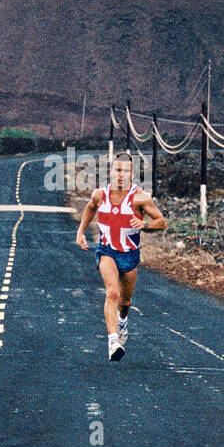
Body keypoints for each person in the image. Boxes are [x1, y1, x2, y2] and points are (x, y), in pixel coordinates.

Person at [75, 152, 167, 360]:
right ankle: (113, 341)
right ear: (110, 171)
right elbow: (90, 209)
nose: (120, 175)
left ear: (131, 173)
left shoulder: (140, 198)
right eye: (117, 170)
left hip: (129, 254)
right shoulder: (100, 195)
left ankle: (123, 323)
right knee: (112, 293)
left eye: (125, 171)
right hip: (106, 250)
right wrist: (80, 232)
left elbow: (161, 222)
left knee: (125, 301)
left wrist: (145, 225)